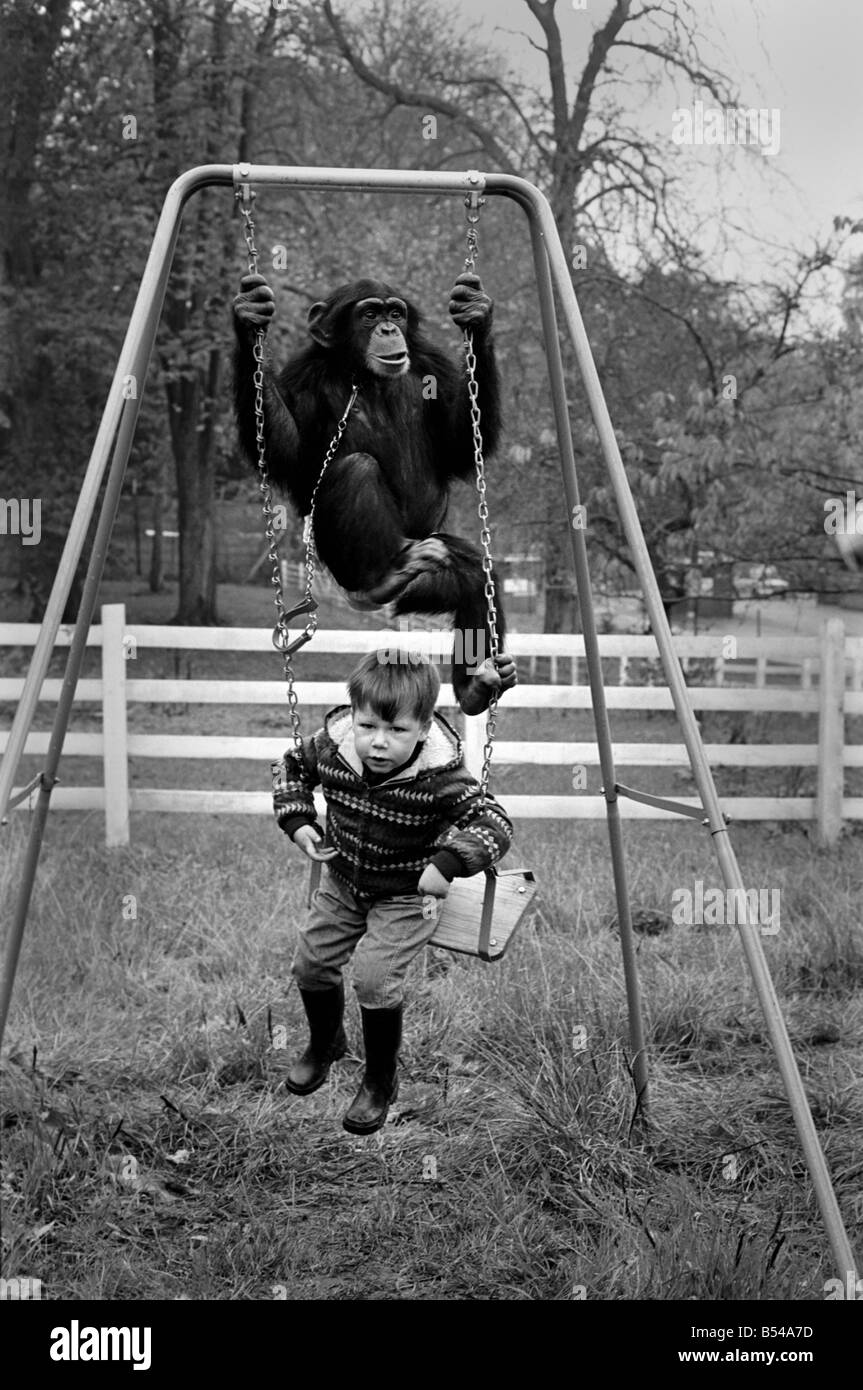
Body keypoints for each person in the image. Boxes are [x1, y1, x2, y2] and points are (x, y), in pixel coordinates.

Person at [271, 648, 515, 1135]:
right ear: (354, 717)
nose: (379, 742)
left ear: (423, 729)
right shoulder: (332, 748)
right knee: (310, 963)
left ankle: (380, 1080)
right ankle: (326, 1043)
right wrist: (298, 821)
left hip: (407, 894)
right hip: (344, 881)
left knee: (374, 977)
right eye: (368, 726)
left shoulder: (440, 777)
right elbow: (289, 769)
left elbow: (495, 824)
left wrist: (448, 864)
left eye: (397, 730)